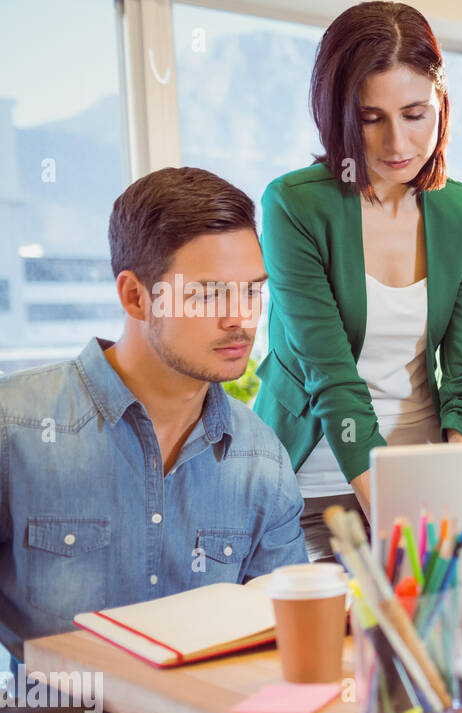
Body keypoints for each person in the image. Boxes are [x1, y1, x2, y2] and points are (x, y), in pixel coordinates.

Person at [0, 167, 309, 660]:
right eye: (207, 293)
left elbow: (285, 645)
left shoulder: (262, 461)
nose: (239, 317)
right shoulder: (13, 429)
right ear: (134, 296)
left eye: (252, 289)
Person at [252, 1, 462, 561]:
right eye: (370, 118)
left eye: (415, 114)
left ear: (442, 104)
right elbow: (331, 378)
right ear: (336, 111)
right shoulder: (294, 205)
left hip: (423, 477)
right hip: (317, 487)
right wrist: (389, 513)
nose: (397, 145)